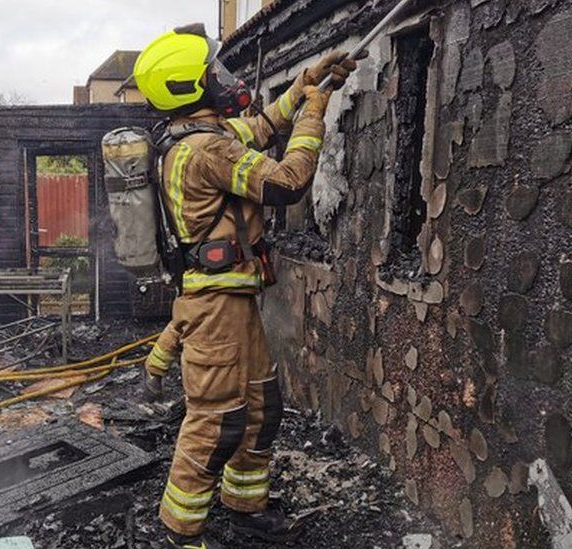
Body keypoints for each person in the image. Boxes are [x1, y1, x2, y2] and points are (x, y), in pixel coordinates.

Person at [132, 23, 358, 548]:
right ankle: (179, 533)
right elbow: (287, 181)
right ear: (191, 87)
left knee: (261, 407)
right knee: (217, 422)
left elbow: (257, 127)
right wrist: (313, 114)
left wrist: (304, 84)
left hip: (232, 298)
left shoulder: (196, 137)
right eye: (213, 72)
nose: (223, 77)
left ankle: (244, 507)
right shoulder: (208, 151)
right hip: (216, 306)